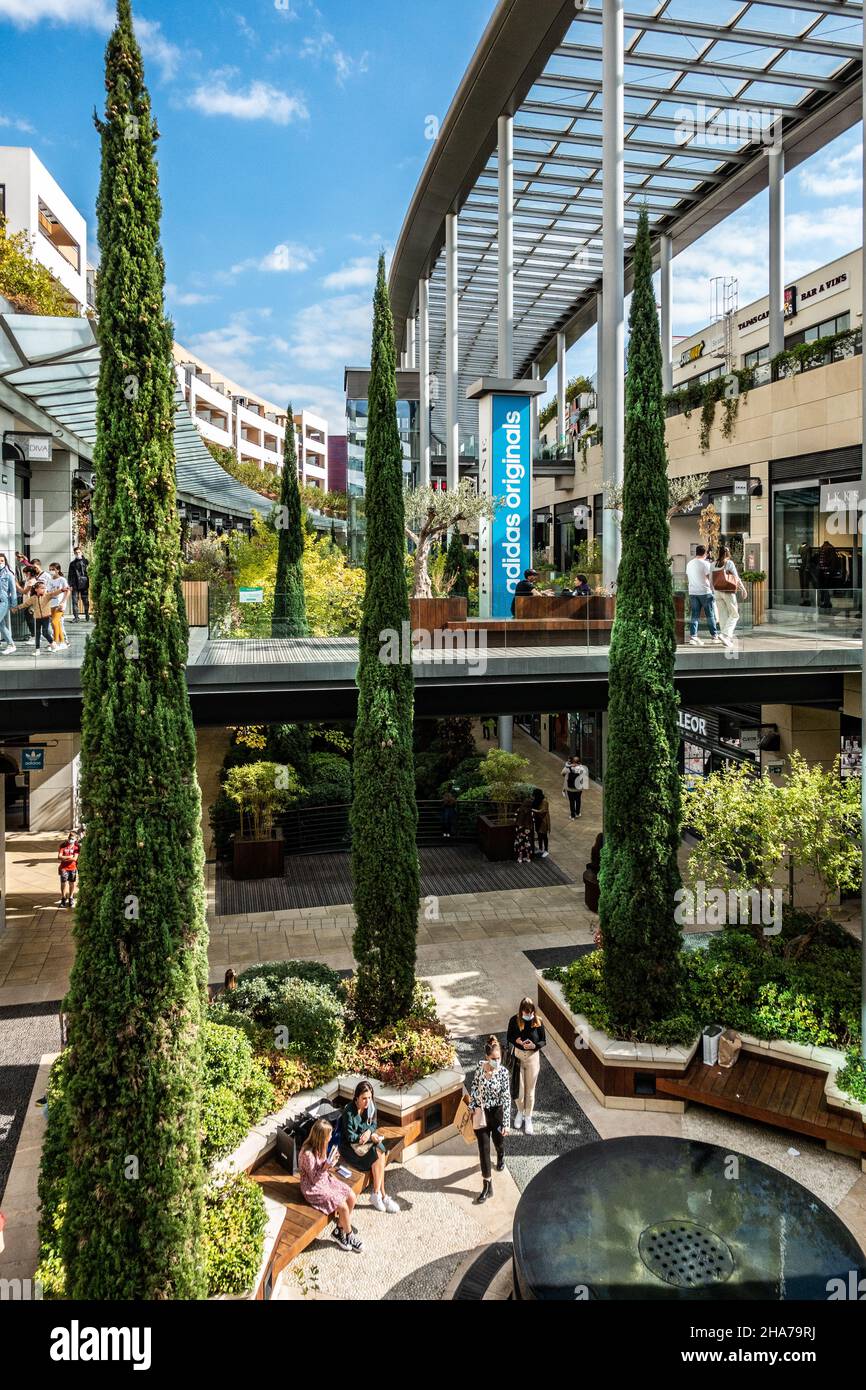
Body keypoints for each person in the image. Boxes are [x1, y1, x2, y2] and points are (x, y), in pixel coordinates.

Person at [298, 1119, 363, 1253]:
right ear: (321, 1136)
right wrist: (326, 1166)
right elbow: (314, 1179)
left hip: (324, 1178)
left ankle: (339, 1230)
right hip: (312, 1187)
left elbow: (322, 1169)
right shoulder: (307, 1154)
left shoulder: (322, 1146)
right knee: (343, 1206)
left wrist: (330, 1163)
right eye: (329, 1134)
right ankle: (349, 1234)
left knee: (351, 1196)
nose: (331, 1137)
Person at [339, 1081, 400, 1213]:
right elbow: (350, 1137)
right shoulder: (349, 1112)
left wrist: (369, 1133)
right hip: (350, 1148)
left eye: (369, 1098)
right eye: (364, 1099)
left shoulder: (371, 1107)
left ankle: (378, 1194)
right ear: (356, 1098)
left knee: (379, 1149)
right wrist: (365, 1137)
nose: (367, 1102)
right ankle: (382, 1196)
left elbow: (373, 1125)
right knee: (379, 1152)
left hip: (364, 1143)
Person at [468, 1035, 511, 1204]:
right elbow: (473, 1088)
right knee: (483, 1149)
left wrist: (506, 1123)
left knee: (498, 1142)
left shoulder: (503, 1074)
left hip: (497, 1114)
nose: (497, 1061)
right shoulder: (479, 1070)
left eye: (499, 1058)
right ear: (487, 1057)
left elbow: (506, 1099)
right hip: (482, 1114)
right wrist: (472, 1106)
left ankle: (501, 1154)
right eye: (493, 1059)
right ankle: (487, 1185)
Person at [506, 997, 547, 1135]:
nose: (529, 1015)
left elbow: (543, 1041)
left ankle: (528, 1117)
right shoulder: (514, 1020)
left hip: (532, 1059)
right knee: (519, 1091)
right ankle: (520, 1111)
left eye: (531, 1013)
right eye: (526, 1013)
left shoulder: (538, 1021)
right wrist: (516, 1041)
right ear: (521, 1011)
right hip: (518, 1058)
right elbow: (509, 1036)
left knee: (530, 1091)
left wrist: (534, 1045)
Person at [686, 544, 729, 646]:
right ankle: (714, 636)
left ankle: (693, 636)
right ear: (705, 553)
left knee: (694, 615)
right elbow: (710, 579)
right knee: (710, 615)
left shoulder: (689, 564)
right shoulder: (705, 564)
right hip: (705, 592)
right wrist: (714, 590)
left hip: (693, 592)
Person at [712, 546, 748, 641]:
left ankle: (724, 636)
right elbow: (736, 578)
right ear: (728, 554)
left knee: (723, 615)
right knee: (735, 614)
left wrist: (713, 591)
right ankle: (725, 635)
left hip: (717, 592)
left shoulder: (713, 564)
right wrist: (743, 589)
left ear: (718, 553)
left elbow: (711, 579)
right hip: (727, 591)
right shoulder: (729, 563)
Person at [13, 577, 55, 654]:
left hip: (46, 617)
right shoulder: (33, 598)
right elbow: (25, 604)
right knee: (37, 634)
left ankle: (52, 643)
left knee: (45, 632)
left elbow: (54, 593)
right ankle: (37, 650)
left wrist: (62, 590)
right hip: (37, 618)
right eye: (42, 588)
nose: (44, 589)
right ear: (36, 589)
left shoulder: (47, 596)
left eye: (44, 588)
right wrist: (17, 608)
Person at [46, 564, 70, 649]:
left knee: (54, 622)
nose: (51, 571)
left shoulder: (62, 580)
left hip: (59, 604)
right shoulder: (49, 580)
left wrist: (63, 602)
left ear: (58, 570)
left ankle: (55, 642)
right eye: (50, 569)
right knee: (57, 624)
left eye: (53, 569)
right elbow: (48, 592)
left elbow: (68, 591)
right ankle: (62, 642)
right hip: (51, 604)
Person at [57, 831, 80, 909]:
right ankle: (63, 898)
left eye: (72, 839)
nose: (71, 840)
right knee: (63, 883)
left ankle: (71, 898)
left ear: (76, 839)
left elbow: (75, 858)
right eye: (70, 838)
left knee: (71, 883)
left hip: (72, 868)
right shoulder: (63, 846)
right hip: (63, 868)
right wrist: (69, 857)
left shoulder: (76, 848)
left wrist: (65, 858)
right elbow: (59, 857)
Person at [68, 548, 90, 622]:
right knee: (75, 601)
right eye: (76, 553)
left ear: (81, 552)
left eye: (79, 552)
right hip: (75, 584)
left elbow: (89, 571)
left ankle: (87, 615)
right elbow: (70, 575)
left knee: (85, 600)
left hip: (84, 584)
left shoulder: (86, 561)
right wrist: (70, 584)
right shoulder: (72, 563)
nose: (78, 554)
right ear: (74, 553)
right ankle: (76, 617)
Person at [562, 754, 587, 819]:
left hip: (570, 788)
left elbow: (562, 773)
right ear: (579, 761)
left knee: (572, 801)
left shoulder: (568, 767)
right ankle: (578, 813)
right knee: (578, 800)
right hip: (578, 789)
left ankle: (572, 815)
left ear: (572, 761)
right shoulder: (582, 768)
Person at [0, 554, 15, 655]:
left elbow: (13, 591)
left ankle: (11, 644)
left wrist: (14, 604)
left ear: (5, 562)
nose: (0, 563)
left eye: (1, 561)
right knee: (1, 625)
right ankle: (11, 644)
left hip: (3, 601)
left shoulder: (8, 574)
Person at [531, 787, 550, 858]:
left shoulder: (544, 801)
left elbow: (543, 811)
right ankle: (540, 848)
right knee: (539, 835)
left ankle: (546, 850)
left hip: (543, 820)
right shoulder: (537, 800)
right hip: (538, 819)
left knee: (544, 835)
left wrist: (532, 810)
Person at [514, 797, 534, 864]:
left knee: (520, 844)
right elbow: (533, 820)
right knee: (527, 844)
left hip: (520, 829)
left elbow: (515, 818)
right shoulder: (531, 812)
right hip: (527, 830)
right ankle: (528, 858)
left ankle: (520, 858)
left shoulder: (519, 809)